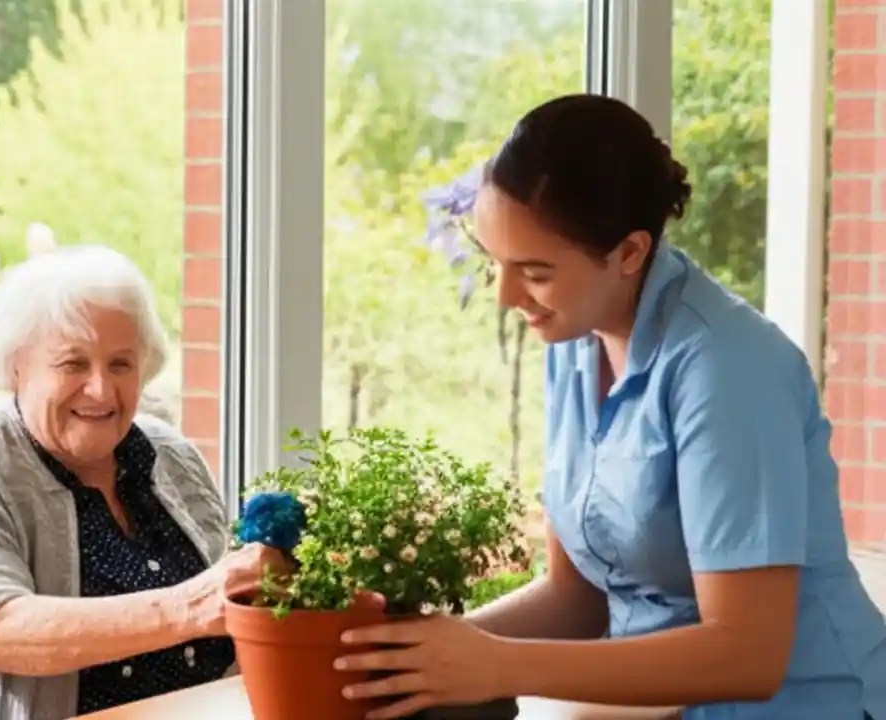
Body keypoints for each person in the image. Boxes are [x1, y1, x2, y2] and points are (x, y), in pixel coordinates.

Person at [334, 94, 886, 720]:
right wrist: (412, 661)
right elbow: (580, 599)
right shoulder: (576, 338)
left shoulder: (727, 369)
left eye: (536, 272)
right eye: (498, 265)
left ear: (628, 254)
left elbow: (747, 657)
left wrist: (493, 663)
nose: (508, 297)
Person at [0, 245, 283, 719]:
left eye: (120, 364)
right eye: (73, 363)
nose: (100, 389)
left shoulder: (171, 456)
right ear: (17, 367)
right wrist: (189, 607)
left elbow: (236, 615)